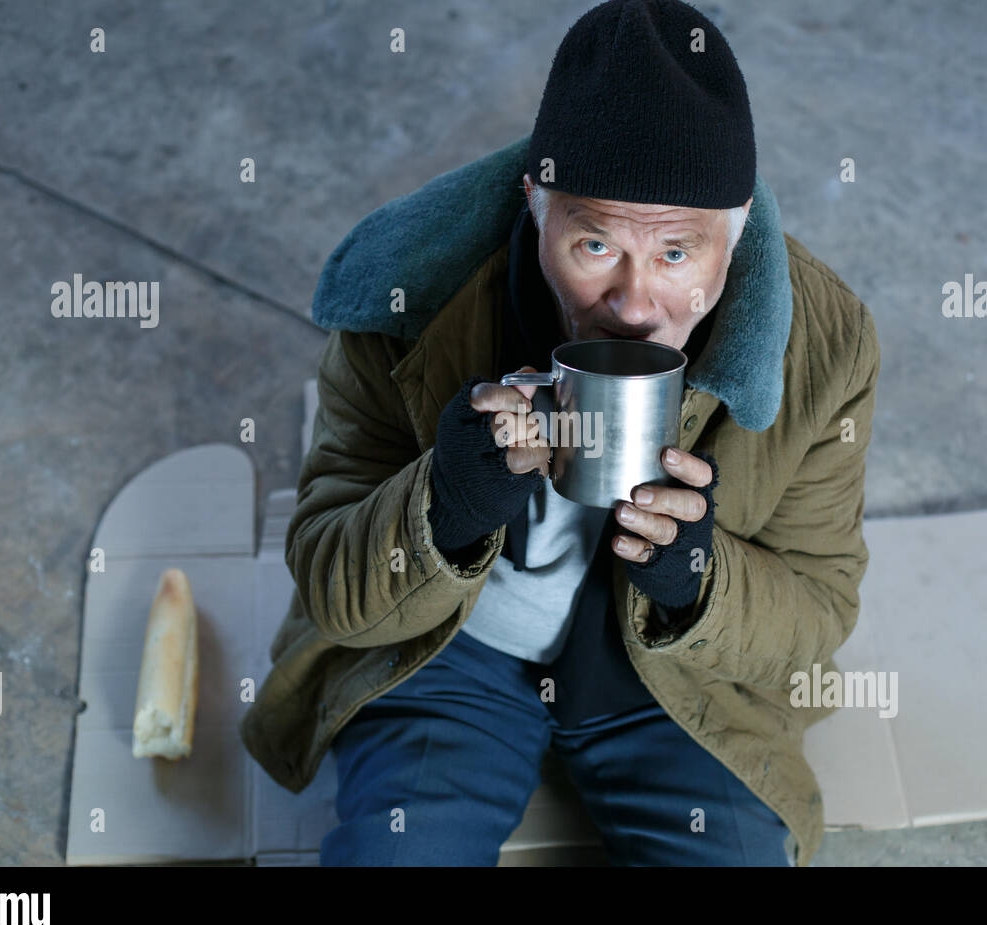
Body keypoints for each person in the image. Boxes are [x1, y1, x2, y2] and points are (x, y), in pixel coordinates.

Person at [241, 0, 880, 867]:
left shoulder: (823, 344)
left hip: (679, 688)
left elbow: (820, 605)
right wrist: (446, 504)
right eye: (594, 245)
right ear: (535, 210)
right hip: (447, 659)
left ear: (736, 240)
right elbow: (329, 583)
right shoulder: (405, 300)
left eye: (676, 255)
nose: (633, 303)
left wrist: (699, 581)